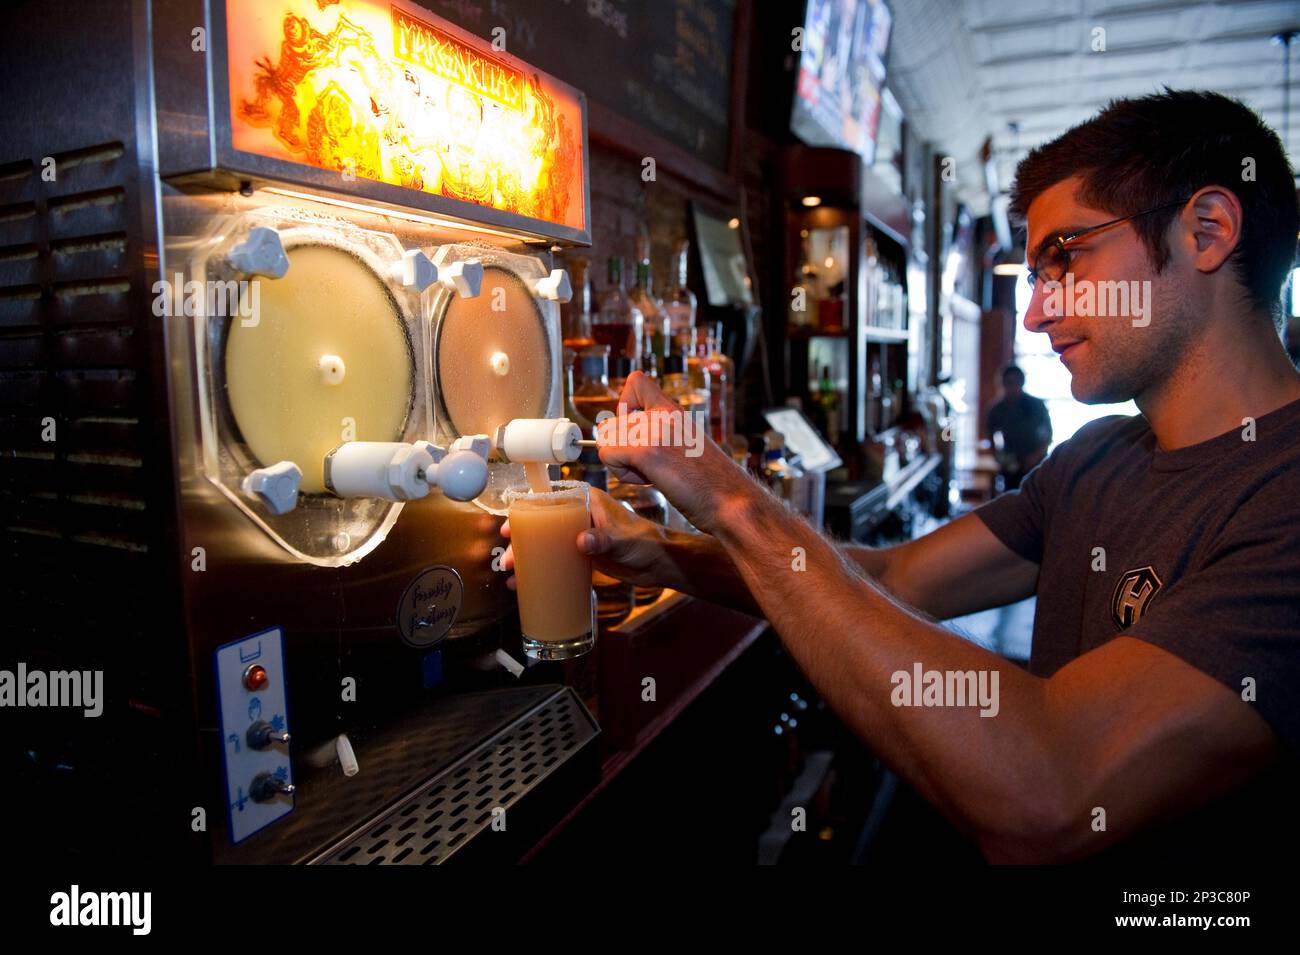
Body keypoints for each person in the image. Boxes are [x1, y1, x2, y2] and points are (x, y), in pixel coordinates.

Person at [502, 90, 1300, 863]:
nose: (1034, 313)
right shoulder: (1097, 460)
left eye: (1065, 254)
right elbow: (894, 578)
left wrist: (737, 503)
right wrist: (658, 548)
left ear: (1207, 229)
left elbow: (1052, 789)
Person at [986, 365, 1052, 491]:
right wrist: (1001, 460)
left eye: (1016, 382)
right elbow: (990, 437)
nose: (1012, 387)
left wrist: (1036, 456)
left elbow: (1047, 435)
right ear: (1002, 384)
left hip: (1037, 461)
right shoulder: (996, 409)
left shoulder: (1036, 405)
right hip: (1011, 464)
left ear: (1022, 383)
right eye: (1008, 383)